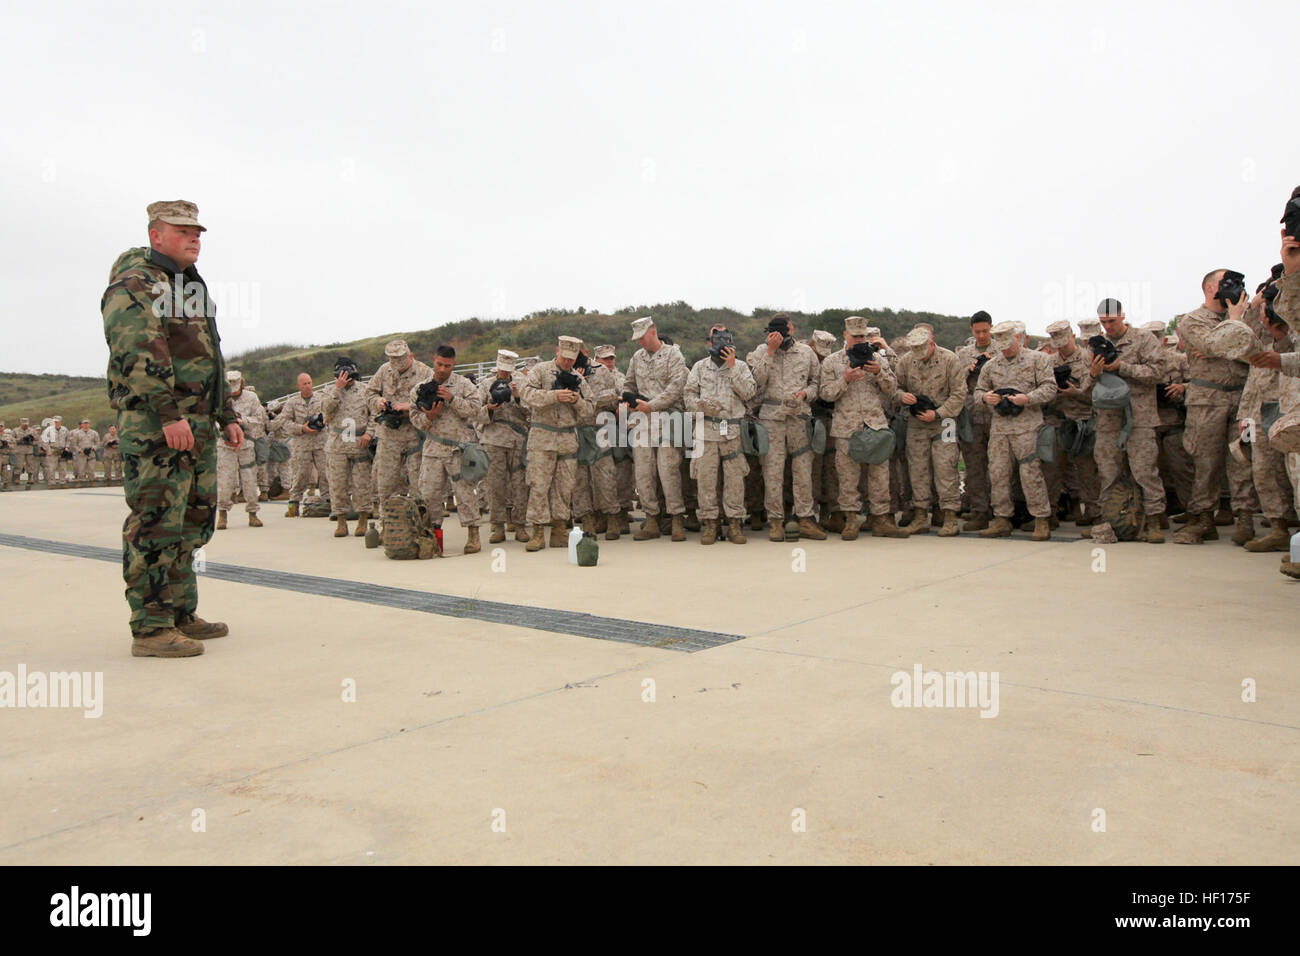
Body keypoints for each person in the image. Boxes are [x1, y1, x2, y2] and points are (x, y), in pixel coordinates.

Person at [101, 199, 240, 658]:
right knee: (158, 521)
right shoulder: (136, 283)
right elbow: (138, 353)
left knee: (193, 520)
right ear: (155, 234)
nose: (194, 237)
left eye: (197, 230)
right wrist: (167, 414)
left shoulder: (189, 286)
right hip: (159, 425)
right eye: (182, 231)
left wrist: (226, 415)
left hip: (196, 423)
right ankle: (151, 627)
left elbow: (209, 358)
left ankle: (180, 612)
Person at [819, 315, 909, 539]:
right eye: (855, 336)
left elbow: (892, 389)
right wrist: (845, 379)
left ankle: (880, 520)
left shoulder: (878, 358)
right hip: (847, 427)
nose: (859, 340)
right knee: (847, 477)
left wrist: (879, 372)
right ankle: (850, 521)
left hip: (875, 425)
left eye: (863, 336)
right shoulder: (832, 362)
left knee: (880, 476)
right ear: (845, 335)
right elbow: (826, 394)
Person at [1087, 300, 1166, 542]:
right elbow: (1084, 389)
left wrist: (1124, 366)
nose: (1108, 327)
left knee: (1144, 471)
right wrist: (1093, 374)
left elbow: (1158, 372)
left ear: (1123, 316)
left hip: (1140, 417)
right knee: (1108, 472)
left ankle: (1154, 520)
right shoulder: (1096, 345)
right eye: (1103, 323)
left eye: (1112, 321)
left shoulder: (1143, 340)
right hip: (1108, 421)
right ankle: (1109, 520)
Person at [973, 321, 1058, 539]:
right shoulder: (991, 366)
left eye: (1007, 342)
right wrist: (985, 397)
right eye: (1000, 344)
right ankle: (1002, 519)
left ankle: (1041, 519)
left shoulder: (1038, 359)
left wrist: (1028, 398)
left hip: (1028, 427)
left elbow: (1050, 388)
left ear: (1017, 338)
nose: (1004, 348)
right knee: (998, 473)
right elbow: (978, 391)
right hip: (1000, 428)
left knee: (1031, 474)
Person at [747, 313, 825, 541]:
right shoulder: (761, 352)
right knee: (773, 471)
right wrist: (770, 351)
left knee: (803, 471)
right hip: (772, 418)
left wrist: (805, 394)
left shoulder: (806, 352)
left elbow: (816, 383)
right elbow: (755, 382)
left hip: (799, 417)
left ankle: (805, 519)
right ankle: (776, 521)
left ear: (791, 330)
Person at [684, 324, 757, 544]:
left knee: (735, 480)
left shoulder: (741, 366)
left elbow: (749, 393)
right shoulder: (699, 367)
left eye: (726, 341)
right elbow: (687, 396)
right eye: (717, 341)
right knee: (705, 480)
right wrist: (700, 405)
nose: (721, 345)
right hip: (705, 432)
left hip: (731, 431)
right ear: (709, 343)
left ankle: (734, 523)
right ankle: (710, 524)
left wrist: (733, 367)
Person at [520, 336, 594, 550]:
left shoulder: (578, 379)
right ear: (557, 351)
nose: (568, 363)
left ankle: (559, 530)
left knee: (565, 487)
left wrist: (576, 401)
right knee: (538, 485)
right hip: (542, 438)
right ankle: (537, 532)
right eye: (565, 358)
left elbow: (590, 409)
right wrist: (554, 396)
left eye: (572, 359)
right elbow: (526, 394)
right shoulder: (541, 370)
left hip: (568, 440)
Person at [409, 345, 485, 554]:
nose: (442, 369)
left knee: (465, 493)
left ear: (454, 364)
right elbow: (414, 418)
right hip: (433, 449)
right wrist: (429, 417)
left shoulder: (463, 385)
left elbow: (475, 410)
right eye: (439, 364)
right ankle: (433, 537)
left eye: (448, 366)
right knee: (430, 494)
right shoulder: (420, 388)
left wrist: (452, 399)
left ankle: (473, 534)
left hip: (458, 449)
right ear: (433, 360)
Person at [893, 325, 967, 536]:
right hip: (917, 422)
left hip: (945, 422)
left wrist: (938, 413)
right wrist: (901, 397)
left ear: (932, 343)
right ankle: (920, 516)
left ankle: (950, 516)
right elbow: (895, 387)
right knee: (918, 470)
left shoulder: (950, 359)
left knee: (946, 468)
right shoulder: (907, 361)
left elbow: (959, 394)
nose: (919, 356)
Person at [623, 316, 689, 541]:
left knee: (668, 470)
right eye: (637, 339)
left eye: (642, 337)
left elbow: (676, 388)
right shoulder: (637, 358)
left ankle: (676, 517)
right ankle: (651, 519)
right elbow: (628, 384)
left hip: (668, 419)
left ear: (653, 332)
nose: (639, 342)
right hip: (642, 422)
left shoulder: (673, 355)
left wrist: (650, 405)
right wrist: (628, 400)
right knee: (643, 473)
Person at [366, 339, 430, 507]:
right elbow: (369, 393)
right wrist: (379, 401)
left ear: (410, 356)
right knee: (386, 482)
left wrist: (410, 406)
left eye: (399, 360)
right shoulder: (384, 370)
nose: (395, 364)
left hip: (415, 435)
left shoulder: (424, 372)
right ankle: (388, 524)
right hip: (389, 434)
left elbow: (434, 402)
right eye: (392, 360)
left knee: (420, 484)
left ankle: (421, 524)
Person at [478, 350, 531, 543]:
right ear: (498, 365)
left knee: (520, 485)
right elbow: (476, 413)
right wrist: (489, 409)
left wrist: (517, 397)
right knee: (495, 484)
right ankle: (498, 526)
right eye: (503, 370)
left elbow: (530, 413)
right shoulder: (485, 383)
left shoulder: (523, 382)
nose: (505, 374)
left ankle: (520, 525)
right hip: (493, 439)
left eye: (509, 370)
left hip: (518, 440)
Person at [322, 356, 375, 537]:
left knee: (362, 484)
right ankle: (341, 521)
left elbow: (374, 414)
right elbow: (326, 411)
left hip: (360, 442)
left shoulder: (366, 390)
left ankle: (363, 520)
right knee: (337, 484)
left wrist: (370, 432)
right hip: (338, 442)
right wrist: (338, 389)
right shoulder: (329, 390)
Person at [955, 312, 996, 530]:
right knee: (974, 465)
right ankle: (980, 511)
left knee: (1000, 466)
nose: (981, 336)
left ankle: (1002, 511)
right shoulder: (964, 354)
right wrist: (967, 370)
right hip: (971, 415)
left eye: (985, 331)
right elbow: (954, 383)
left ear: (991, 328)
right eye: (977, 331)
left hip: (997, 415)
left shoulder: (1000, 350)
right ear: (971, 330)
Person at [215, 371, 265, 529]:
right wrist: (223, 428)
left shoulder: (251, 398)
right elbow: (211, 420)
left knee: (250, 479)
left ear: (242, 383)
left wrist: (242, 421)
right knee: (225, 480)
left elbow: (260, 420)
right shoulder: (219, 399)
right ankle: (222, 514)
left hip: (246, 444)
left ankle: (253, 513)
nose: (233, 391)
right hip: (225, 445)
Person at [280, 372, 330, 515]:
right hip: (302, 444)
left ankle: (328, 502)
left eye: (309, 383)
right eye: (304, 384)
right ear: (299, 386)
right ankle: (293, 504)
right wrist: (301, 428)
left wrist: (322, 423)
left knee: (326, 473)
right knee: (300, 475)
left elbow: (331, 415)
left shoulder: (321, 399)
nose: (308, 386)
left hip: (321, 443)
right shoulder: (292, 402)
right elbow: (285, 422)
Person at [40, 415, 70, 486]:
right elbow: (44, 441)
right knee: (51, 468)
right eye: (54, 422)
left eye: (57, 422)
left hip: (62, 451)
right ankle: (52, 483)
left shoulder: (65, 430)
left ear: (60, 422)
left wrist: (67, 447)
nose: (56, 423)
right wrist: (48, 450)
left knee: (63, 468)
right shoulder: (48, 430)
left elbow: (68, 439)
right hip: (53, 450)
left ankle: (62, 482)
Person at [10, 418, 39, 487]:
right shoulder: (15, 430)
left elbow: (37, 438)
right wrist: (21, 439)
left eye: (26, 424)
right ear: (21, 423)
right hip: (19, 449)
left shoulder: (31, 430)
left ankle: (30, 478)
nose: (25, 426)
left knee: (30, 464)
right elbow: (12, 439)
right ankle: (17, 478)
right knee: (19, 464)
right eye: (24, 424)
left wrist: (32, 438)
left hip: (29, 449)